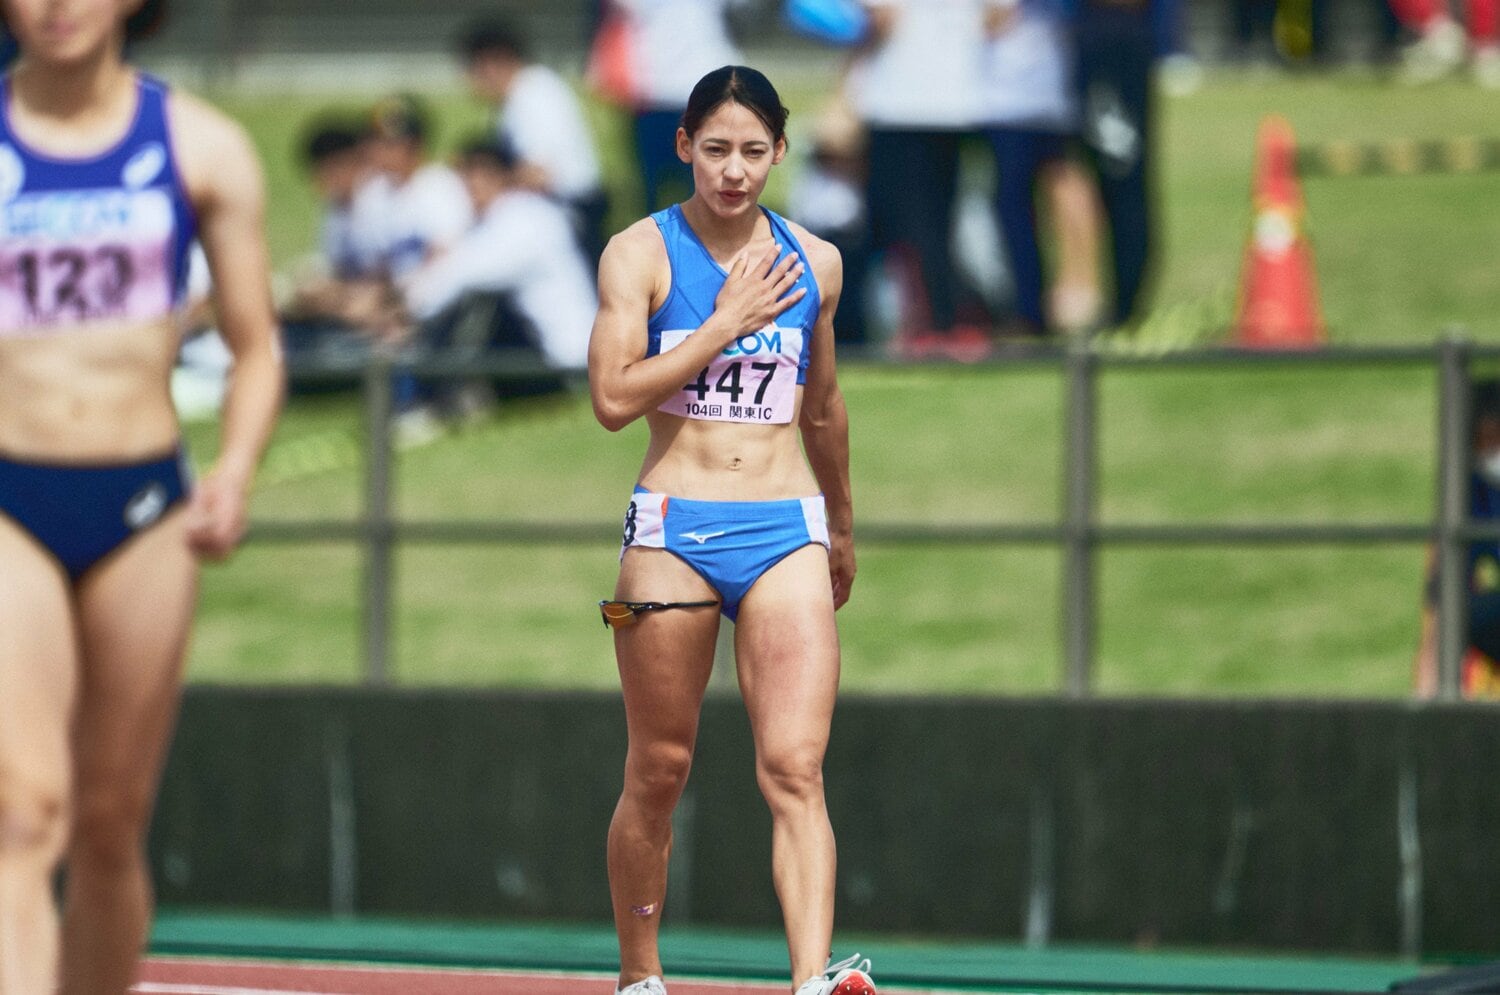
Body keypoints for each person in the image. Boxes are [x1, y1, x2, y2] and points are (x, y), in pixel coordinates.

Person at [0, 0, 284, 991]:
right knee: (24, 808)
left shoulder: (203, 146)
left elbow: (256, 349)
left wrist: (235, 471)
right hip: (8, 500)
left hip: (142, 506)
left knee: (109, 822)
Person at [587, 66, 874, 995]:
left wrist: (839, 521)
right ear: (683, 147)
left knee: (795, 766)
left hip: (784, 524)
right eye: (716, 149)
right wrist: (722, 323)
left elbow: (822, 406)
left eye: (754, 151)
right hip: (674, 527)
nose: (735, 171)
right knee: (660, 769)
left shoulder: (815, 262)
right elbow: (612, 399)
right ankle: (640, 974)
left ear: (781, 152)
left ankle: (810, 980)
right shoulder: (641, 254)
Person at [851, 0, 991, 360]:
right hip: (956, 99)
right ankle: (950, 321)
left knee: (903, 225)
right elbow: (997, 18)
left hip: (899, 101)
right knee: (943, 221)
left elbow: (881, 19)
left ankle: (924, 326)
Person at [401, 137, 597, 371]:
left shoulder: (525, 216)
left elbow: (460, 276)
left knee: (475, 303)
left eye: (483, 174)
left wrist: (402, 308)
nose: (473, 184)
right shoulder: (494, 219)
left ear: (504, 177)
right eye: (468, 175)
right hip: (546, 348)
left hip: (564, 358)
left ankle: (447, 388)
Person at [982, 0, 1102, 335]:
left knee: (1026, 200)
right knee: (1039, 195)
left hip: (1021, 96)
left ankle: (1055, 299)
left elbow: (992, 20)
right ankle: (1059, 297)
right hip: (1033, 93)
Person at [456, 17, 609, 265]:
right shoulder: (518, 99)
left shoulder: (532, 94)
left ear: (492, 62)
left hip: (573, 216)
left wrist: (486, 185)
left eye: (473, 69)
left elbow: (539, 175)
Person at [1414, 380, 1500, 699]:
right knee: (1458, 614)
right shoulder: (1472, 493)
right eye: (1484, 443)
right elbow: (1443, 598)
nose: (1492, 452)